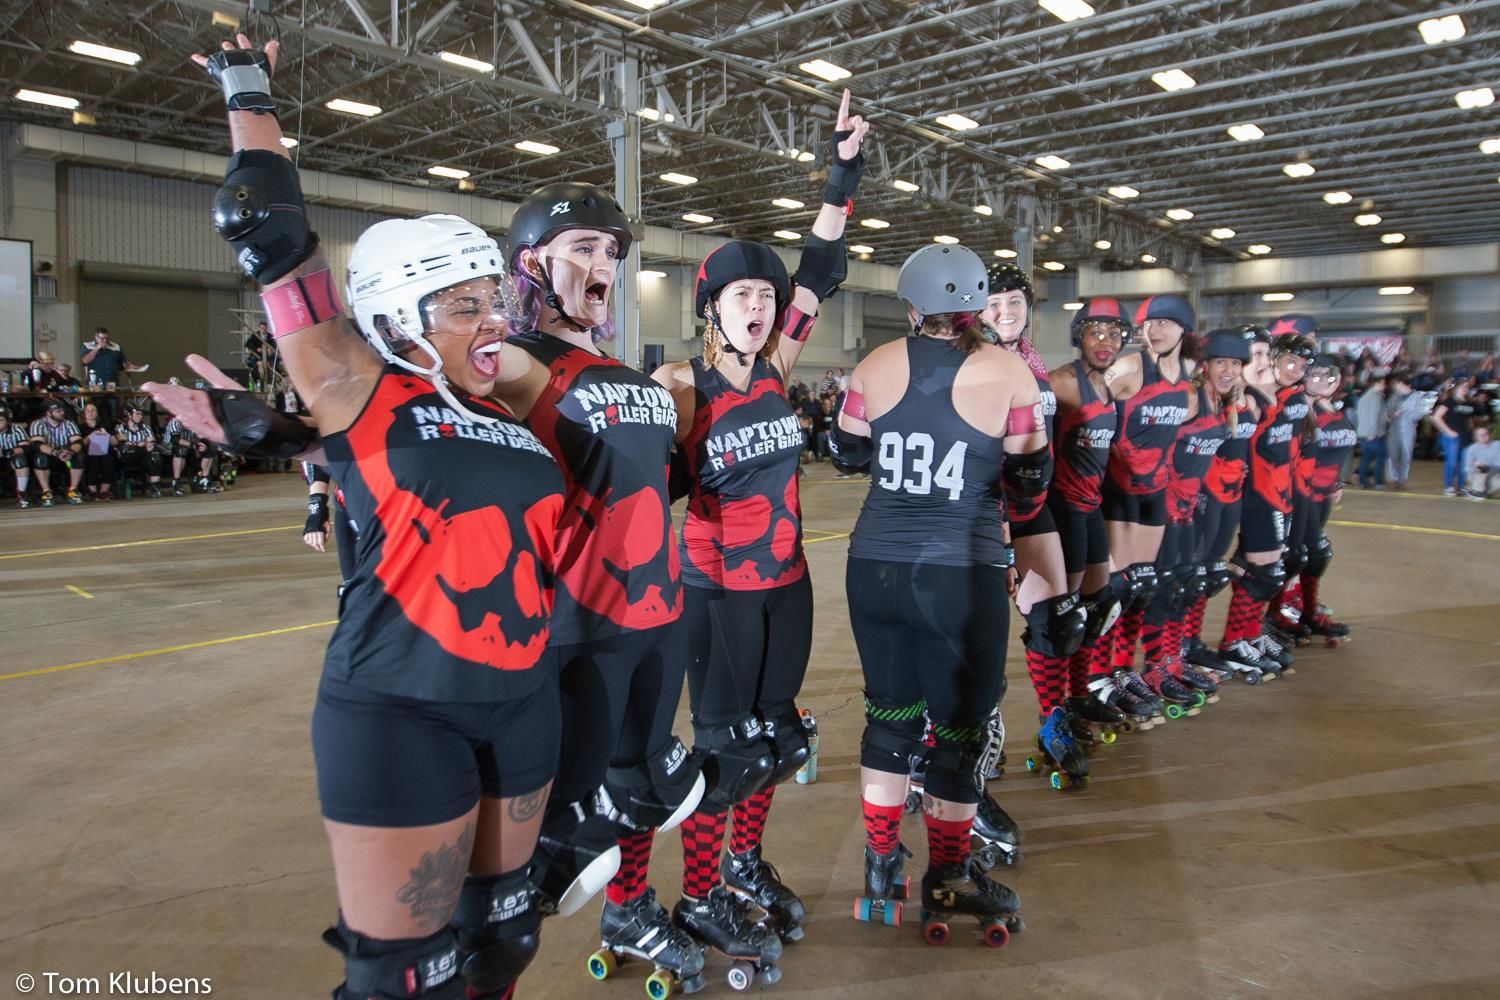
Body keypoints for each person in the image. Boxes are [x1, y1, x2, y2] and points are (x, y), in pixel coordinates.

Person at [152, 33, 569, 1000]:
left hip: (523, 700)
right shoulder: (358, 385)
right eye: (464, 306)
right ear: (397, 318)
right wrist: (246, 84)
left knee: (504, 946)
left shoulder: (508, 411)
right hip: (401, 708)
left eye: (493, 302)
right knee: (405, 980)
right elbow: (268, 224)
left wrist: (299, 443)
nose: (492, 324)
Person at [651, 89, 867, 977]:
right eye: (742, 293)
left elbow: (818, 263)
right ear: (712, 306)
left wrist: (843, 169)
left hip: (786, 581)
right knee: (722, 750)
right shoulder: (681, 385)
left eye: (764, 296)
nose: (760, 305)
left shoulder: (780, 365)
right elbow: (640, 482)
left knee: (774, 740)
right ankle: (700, 893)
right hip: (716, 589)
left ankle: (741, 865)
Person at [495, 178, 709, 988]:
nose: (603, 263)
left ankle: (628, 910)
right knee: (546, 852)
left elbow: (646, 485)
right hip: (580, 623)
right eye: (582, 247)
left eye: (611, 252)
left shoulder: (612, 366)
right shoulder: (517, 360)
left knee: (644, 789)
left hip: (659, 612)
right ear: (532, 265)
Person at [834, 242, 1038, 942]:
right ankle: (947, 876)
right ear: (978, 306)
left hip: (875, 567)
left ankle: (880, 864)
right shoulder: (1007, 370)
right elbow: (1029, 478)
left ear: (913, 306)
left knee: (889, 720)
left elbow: (848, 452)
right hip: (959, 570)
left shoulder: (872, 365)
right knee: (957, 732)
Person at [981, 262, 1090, 778]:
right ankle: (974, 734)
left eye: (1014, 302)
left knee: (1056, 620)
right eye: (994, 303)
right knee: (976, 633)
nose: (1005, 312)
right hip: (983, 508)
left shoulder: (1032, 361)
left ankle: (1051, 723)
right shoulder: (973, 361)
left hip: (1033, 505)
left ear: (1029, 307)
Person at [1095, 295, 1195, 720]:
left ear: (1183, 330)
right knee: (1114, 589)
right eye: (1149, 323)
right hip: (1118, 490)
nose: (1155, 330)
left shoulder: (1189, 377)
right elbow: (1088, 402)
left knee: (1142, 585)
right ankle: (1099, 678)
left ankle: (1123, 669)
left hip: (1155, 491)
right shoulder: (1131, 367)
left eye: (1165, 323)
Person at [1048, 299, 1140, 726]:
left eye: (1113, 333)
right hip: (1063, 508)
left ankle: (1080, 693)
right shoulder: (1063, 383)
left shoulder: (1113, 386)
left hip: (1092, 507)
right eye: (1095, 332)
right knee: (1060, 618)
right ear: (1078, 336)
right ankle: (1053, 711)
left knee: (1098, 606)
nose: (1105, 342)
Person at [1217, 332, 1310, 680]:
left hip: (1276, 493)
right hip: (1252, 495)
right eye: (1252, 355)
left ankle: (1246, 636)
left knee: (1258, 572)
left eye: (1263, 355)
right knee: (1259, 574)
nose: (1259, 363)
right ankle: (1231, 643)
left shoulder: (1266, 397)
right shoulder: (1239, 399)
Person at [1180, 328, 1258, 682]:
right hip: (1197, 494)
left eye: (1235, 363)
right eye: (1220, 362)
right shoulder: (1192, 397)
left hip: (1228, 493)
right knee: (1187, 576)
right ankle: (1174, 651)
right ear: (1204, 365)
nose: (1228, 370)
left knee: (1210, 574)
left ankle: (1191, 642)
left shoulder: (1233, 400)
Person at [1302, 355, 1357, 640]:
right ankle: (1293, 612)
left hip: (1324, 493)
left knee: (1310, 554)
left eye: (1328, 375)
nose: (1323, 380)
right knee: (1308, 554)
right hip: (1303, 493)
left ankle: (1304, 609)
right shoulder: (1302, 410)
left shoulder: (1331, 408)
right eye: (1316, 375)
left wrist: (1335, 481)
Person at [303, 463, 359, 596]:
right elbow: (316, 458)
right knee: (352, 587)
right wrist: (316, 511)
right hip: (348, 499)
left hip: (393, 501)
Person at [28, 398, 84, 506]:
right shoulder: (37, 424)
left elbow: (78, 441)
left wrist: (70, 451)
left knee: (80, 457)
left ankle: (73, 490)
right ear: (48, 413)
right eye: (58, 411)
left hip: (67, 459)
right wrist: (56, 453)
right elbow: (37, 445)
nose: (62, 413)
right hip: (49, 457)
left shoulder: (69, 423)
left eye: (62, 410)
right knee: (39, 458)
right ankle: (46, 491)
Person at [1432, 379, 1477, 496]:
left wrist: (1473, 433)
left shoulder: (1468, 402)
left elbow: (1469, 420)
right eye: (1463, 386)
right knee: (1452, 462)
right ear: (1456, 388)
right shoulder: (1450, 401)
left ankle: (1461, 486)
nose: (1465, 389)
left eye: (1467, 387)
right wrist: (1448, 431)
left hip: (1465, 435)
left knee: (1463, 462)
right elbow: (1436, 417)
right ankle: (1449, 486)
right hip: (1451, 436)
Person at [114, 402, 164, 498]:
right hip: (127, 457)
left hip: (143, 457)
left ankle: (155, 488)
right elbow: (125, 444)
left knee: (154, 456)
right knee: (145, 450)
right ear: (129, 414)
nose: (140, 416)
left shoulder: (145, 428)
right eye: (137, 414)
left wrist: (143, 445)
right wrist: (141, 444)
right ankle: (153, 486)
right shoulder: (120, 428)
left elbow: (151, 443)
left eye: (141, 414)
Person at [1355, 371, 1390, 489]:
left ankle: (1362, 481)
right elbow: (1374, 416)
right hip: (1374, 433)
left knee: (1366, 457)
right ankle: (1378, 481)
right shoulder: (1376, 397)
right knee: (1381, 457)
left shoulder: (1364, 397)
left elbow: (1359, 414)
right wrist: (1373, 432)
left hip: (1363, 432)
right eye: (1383, 383)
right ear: (1378, 384)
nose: (1384, 386)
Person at [1385, 372, 1420, 488]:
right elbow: (1387, 410)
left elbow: (1418, 415)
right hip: (1393, 428)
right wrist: (1392, 414)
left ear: (1402, 384)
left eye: (1396, 384)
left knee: (1406, 454)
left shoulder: (1417, 397)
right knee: (1392, 454)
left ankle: (1402, 480)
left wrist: (1406, 413)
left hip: (1408, 429)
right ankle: (1394, 477)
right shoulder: (1395, 396)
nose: (1395, 387)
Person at [78, 400, 116, 500]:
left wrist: (107, 435)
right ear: (84, 413)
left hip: (104, 451)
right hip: (88, 452)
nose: (91, 413)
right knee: (92, 461)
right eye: (88, 411)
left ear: (97, 413)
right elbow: (79, 444)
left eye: (93, 411)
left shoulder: (104, 425)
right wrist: (90, 436)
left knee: (109, 461)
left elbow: (115, 442)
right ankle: (92, 490)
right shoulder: (80, 427)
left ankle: (104, 491)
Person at [0, 406, 28, 506]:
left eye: (1, 420)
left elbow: (25, 447)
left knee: (20, 460)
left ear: (7, 421)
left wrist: (6, 452)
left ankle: (21, 493)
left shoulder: (16, 429)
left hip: (10, 460)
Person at [1464, 424, 1500, 499]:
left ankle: (1480, 491)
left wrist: (1487, 465)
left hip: (1493, 474)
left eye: (1485, 434)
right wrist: (1475, 467)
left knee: (1484, 466)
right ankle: (1478, 491)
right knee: (1481, 467)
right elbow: (1467, 468)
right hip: (1476, 475)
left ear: (1489, 435)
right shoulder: (1471, 449)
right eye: (1480, 435)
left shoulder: (1497, 445)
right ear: (1476, 437)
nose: (1483, 436)